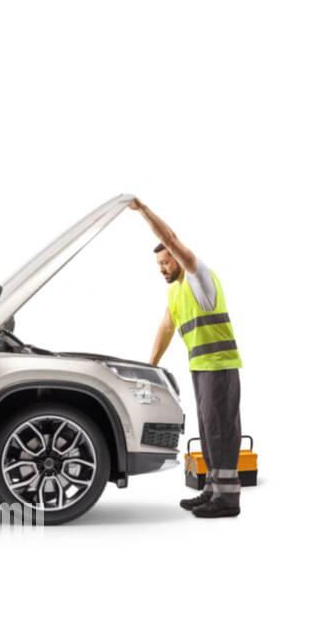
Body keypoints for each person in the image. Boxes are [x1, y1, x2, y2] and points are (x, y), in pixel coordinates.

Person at [133, 198, 244, 518]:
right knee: (211, 430)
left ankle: (228, 500)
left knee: (221, 429)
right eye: (158, 265)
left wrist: (143, 210)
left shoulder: (198, 276)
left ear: (178, 258)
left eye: (166, 262)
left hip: (220, 367)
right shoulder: (175, 291)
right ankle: (212, 489)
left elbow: (170, 238)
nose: (162, 268)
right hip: (201, 368)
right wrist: (150, 365)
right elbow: (166, 327)